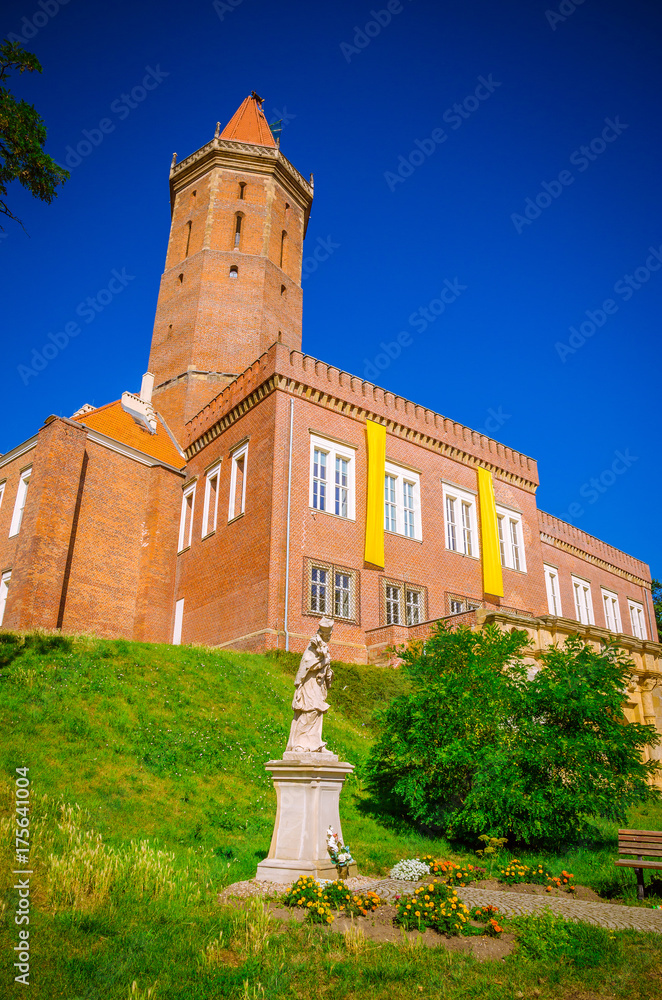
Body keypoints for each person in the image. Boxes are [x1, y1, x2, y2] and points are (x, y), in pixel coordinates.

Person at [286, 616, 334, 753]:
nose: (330, 636)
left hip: (318, 685)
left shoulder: (323, 646)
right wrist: (324, 662)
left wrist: (328, 672)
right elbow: (308, 665)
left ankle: (315, 744)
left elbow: (323, 665)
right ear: (323, 633)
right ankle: (299, 744)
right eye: (329, 634)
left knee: (318, 711)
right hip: (309, 683)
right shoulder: (313, 646)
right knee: (309, 710)